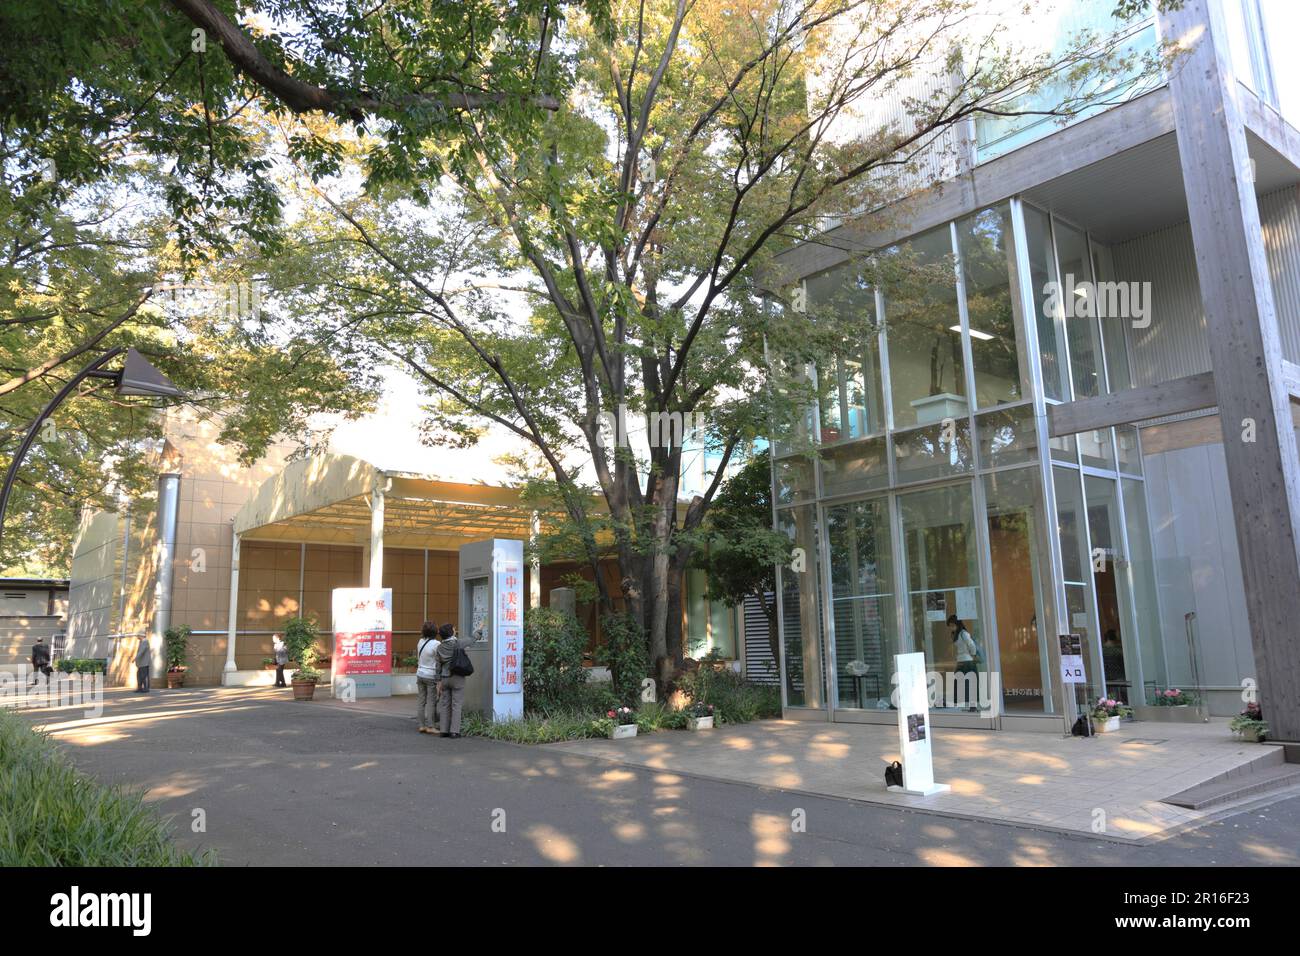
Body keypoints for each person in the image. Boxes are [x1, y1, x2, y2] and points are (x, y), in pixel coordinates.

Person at [434, 623, 469, 738]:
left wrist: (438, 681)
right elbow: (472, 640)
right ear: (451, 632)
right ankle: (454, 731)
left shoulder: (439, 647)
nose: (455, 630)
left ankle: (443, 730)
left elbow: (437, 666)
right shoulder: (457, 643)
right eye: (454, 629)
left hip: (444, 679)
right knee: (456, 705)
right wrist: (479, 630)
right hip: (457, 677)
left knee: (445, 705)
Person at [947, 615, 981, 711]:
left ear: (958, 624)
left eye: (953, 625)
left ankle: (972, 706)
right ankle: (971, 706)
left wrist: (973, 655)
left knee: (968, 683)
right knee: (964, 683)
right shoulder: (956, 634)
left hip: (968, 661)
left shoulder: (963, 633)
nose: (951, 627)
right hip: (962, 660)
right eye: (950, 625)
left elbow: (971, 644)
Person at [415, 621, 441, 734]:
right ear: (435, 631)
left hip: (420, 674)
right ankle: (431, 726)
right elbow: (439, 659)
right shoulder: (436, 644)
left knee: (421, 701)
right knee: (431, 701)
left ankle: (421, 725)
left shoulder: (420, 642)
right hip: (430, 675)